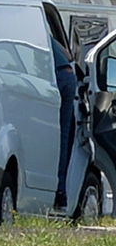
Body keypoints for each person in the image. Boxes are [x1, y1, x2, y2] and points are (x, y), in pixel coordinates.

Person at [53, 39, 77, 209]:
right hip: (69, 77)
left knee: (54, 136)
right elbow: (69, 55)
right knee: (62, 136)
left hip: (57, 77)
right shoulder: (41, 28)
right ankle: (60, 192)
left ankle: (57, 190)